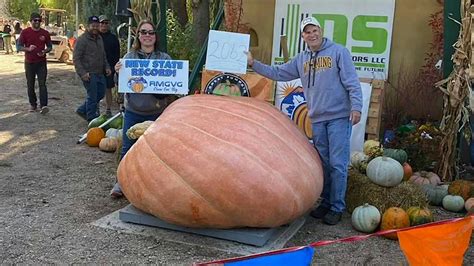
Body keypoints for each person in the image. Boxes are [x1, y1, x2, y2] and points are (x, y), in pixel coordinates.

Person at [246, 16, 363, 225]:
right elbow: (278, 73)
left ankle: (337, 207)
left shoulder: (338, 52)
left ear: (320, 30)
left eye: (314, 30)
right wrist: (254, 64)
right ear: (303, 36)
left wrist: (357, 107)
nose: (312, 34)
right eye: (307, 32)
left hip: (338, 117)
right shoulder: (301, 60)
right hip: (317, 118)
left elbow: (352, 82)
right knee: (324, 163)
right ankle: (326, 203)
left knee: (338, 164)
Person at [110, 19, 175, 198]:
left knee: (157, 151)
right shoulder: (129, 59)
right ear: (138, 36)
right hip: (133, 111)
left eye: (151, 32)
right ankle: (121, 183)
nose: (147, 36)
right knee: (127, 149)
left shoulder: (165, 59)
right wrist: (117, 73)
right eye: (144, 32)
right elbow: (120, 85)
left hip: (157, 113)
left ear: (155, 36)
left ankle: (154, 185)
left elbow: (171, 87)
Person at [73, 16, 111, 122]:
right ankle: (91, 119)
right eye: (93, 26)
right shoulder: (82, 40)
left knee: (101, 94)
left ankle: (81, 110)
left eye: (96, 26)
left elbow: (103, 55)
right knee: (93, 96)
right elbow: (76, 58)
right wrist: (83, 73)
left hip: (100, 72)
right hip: (89, 74)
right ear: (87, 26)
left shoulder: (99, 38)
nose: (95, 28)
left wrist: (107, 67)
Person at [17, 13, 52, 114]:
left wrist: (44, 51)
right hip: (29, 62)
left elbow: (49, 47)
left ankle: (44, 105)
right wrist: (28, 48)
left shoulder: (45, 33)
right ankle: (33, 104)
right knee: (30, 84)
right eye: (35, 20)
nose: (37, 22)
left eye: (39, 21)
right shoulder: (25, 32)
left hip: (41, 62)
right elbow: (19, 46)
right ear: (31, 21)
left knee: (42, 84)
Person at [98, 15, 120, 117]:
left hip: (110, 68)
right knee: (95, 89)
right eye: (102, 23)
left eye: (106, 23)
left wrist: (114, 68)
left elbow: (117, 54)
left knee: (108, 89)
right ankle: (95, 108)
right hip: (96, 67)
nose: (104, 25)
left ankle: (108, 109)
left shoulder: (113, 38)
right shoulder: (94, 37)